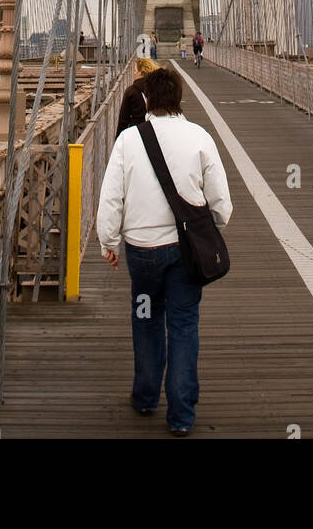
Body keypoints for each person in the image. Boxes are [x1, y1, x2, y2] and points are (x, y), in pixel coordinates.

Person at [96, 66, 232, 437]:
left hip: (142, 254)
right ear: (179, 99)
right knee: (184, 324)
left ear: (148, 101)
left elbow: (111, 197)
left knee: (146, 317)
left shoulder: (127, 140)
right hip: (184, 252)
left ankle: (144, 397)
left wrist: (108, 242)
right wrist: (213, 227)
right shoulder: (199, 136)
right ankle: (182, 415)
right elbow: (222, 203)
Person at [115, 56, 159, 138]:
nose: (134, 73)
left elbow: (123, 120)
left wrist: (118, 139)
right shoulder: (158, 88)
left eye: (135, 70)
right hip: (156, 130)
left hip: (137, 132)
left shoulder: (131, 91)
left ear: (141, 72)